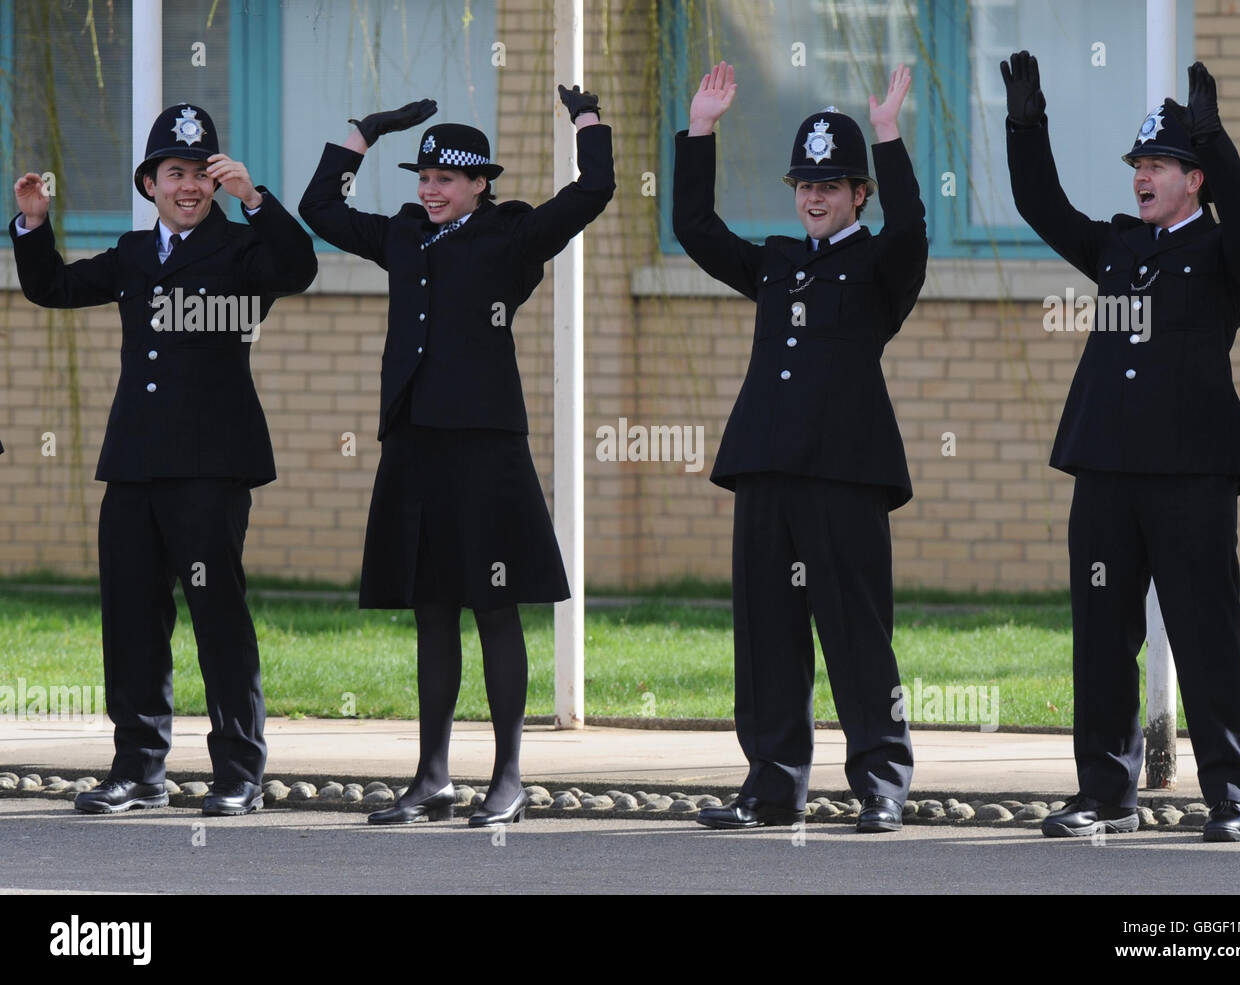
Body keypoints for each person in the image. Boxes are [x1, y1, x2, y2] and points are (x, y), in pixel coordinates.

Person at [298, 89, 613, 827]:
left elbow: (593, 191)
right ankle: (432, 774)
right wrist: (362, 134)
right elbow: (320, 209)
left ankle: (508, 775)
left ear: (480, 185)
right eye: (424, 177)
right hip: (414, 446)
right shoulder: (406, 237)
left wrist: (588, 123)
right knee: (432, 611)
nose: (431, 189)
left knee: (494, 609)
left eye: (447, 179)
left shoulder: (510, 238)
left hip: (485, 450)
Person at [9, 104, 318, 816]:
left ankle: (240, 771)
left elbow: (297, 267)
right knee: (131, 616)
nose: (189, 186)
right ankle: (139, 768)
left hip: (211, 466)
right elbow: (51, 287)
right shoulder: (132, 254)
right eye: (174, 172)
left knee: (218, 618)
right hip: (136, 463)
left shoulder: (243, 250)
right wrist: (32, 224)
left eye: (202, 173)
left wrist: (255, 199)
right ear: (151, 182)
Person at [1002, 53, 1240, 842]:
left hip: (1191, 474)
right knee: (1102, 634)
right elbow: (1042, 205)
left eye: (1158, 164)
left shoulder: (1225, 255)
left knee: (1206, 633)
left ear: (1194, 180)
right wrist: (1026, 123)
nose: (1142, 176)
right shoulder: (1119, 247)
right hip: (1108, 467)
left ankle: (1231, 796)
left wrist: (1214, 135)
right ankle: (1106, 794)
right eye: (1138, 165)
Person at [673, 63, 926, 833]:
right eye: (805, 184)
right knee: (767, 633)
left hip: (844, 474)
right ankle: (772, 782)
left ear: (859, 195)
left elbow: (914, 229)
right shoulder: (777, 261)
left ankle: (881, 781)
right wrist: (700, 132)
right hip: (765, 469)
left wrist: (886, 133)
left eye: (832, 185)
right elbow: (696, 231)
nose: (814, 197)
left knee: (855, 633)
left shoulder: (879, 265)